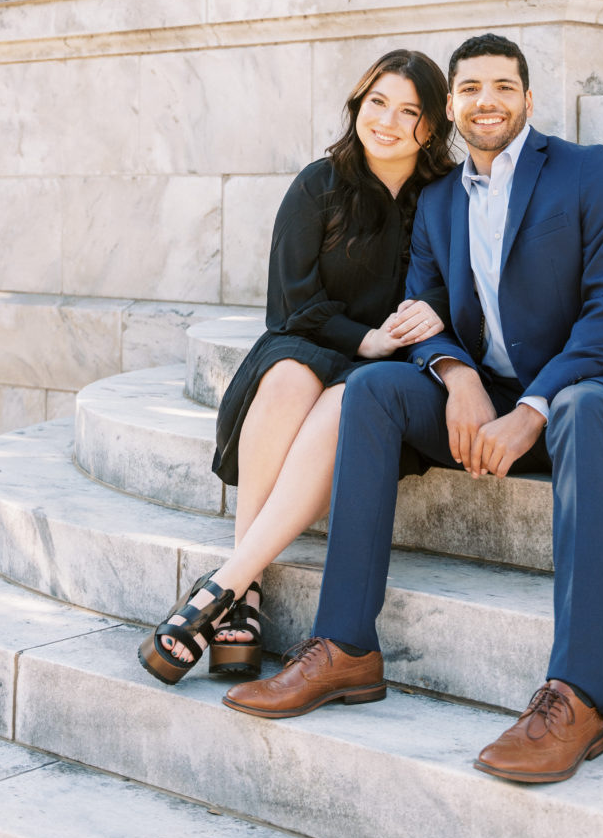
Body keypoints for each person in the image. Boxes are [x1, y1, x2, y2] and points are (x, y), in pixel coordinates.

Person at [223, 32, 603, 787]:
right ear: (452, 109)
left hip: (592, 398)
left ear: (528, 99)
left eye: (502, 87)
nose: (486, 101)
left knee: (581, 409)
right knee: (371, 389)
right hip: (486, 401)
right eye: (470, 89)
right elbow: (423, 308)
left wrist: (532, 406)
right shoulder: (437, 201)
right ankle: (345, 648)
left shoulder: (584, 172)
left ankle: (576, 697)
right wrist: (457, 375)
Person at [138, 48, 454, 686]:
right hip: (312, 341)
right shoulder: (320, 184)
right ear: (357, 105)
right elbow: (290, 305)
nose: (387, 121)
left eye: (409, 111)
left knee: (351, 400)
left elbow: (464, 286)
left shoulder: (447, 197)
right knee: (287, 377)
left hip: (388, 372)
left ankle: (226, 590)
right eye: (377, 103)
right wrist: (362, 339)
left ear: (433, 126)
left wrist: (425, 322)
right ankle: (246, 589)